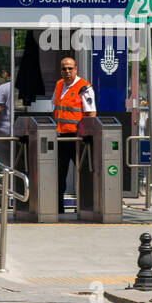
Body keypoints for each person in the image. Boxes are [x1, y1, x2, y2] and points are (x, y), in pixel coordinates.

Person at [53, 55, 96, 215]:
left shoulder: (84, 87)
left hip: (77, 138)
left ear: (76, 69)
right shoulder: (59, 85)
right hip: (59, 136)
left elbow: (91, 113)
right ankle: (58, 208)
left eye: (70, 68)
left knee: (84, 173)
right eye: (64, 68)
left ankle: (88, 207)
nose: (67, 71)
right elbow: (55, 108)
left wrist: (86, 136)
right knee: (59, 174)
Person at [0, 77, 12, 166]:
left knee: (3, 161)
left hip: (3, 131)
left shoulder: (3, 87)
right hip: (20, 131)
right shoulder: (28, 87)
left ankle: (4, 179)